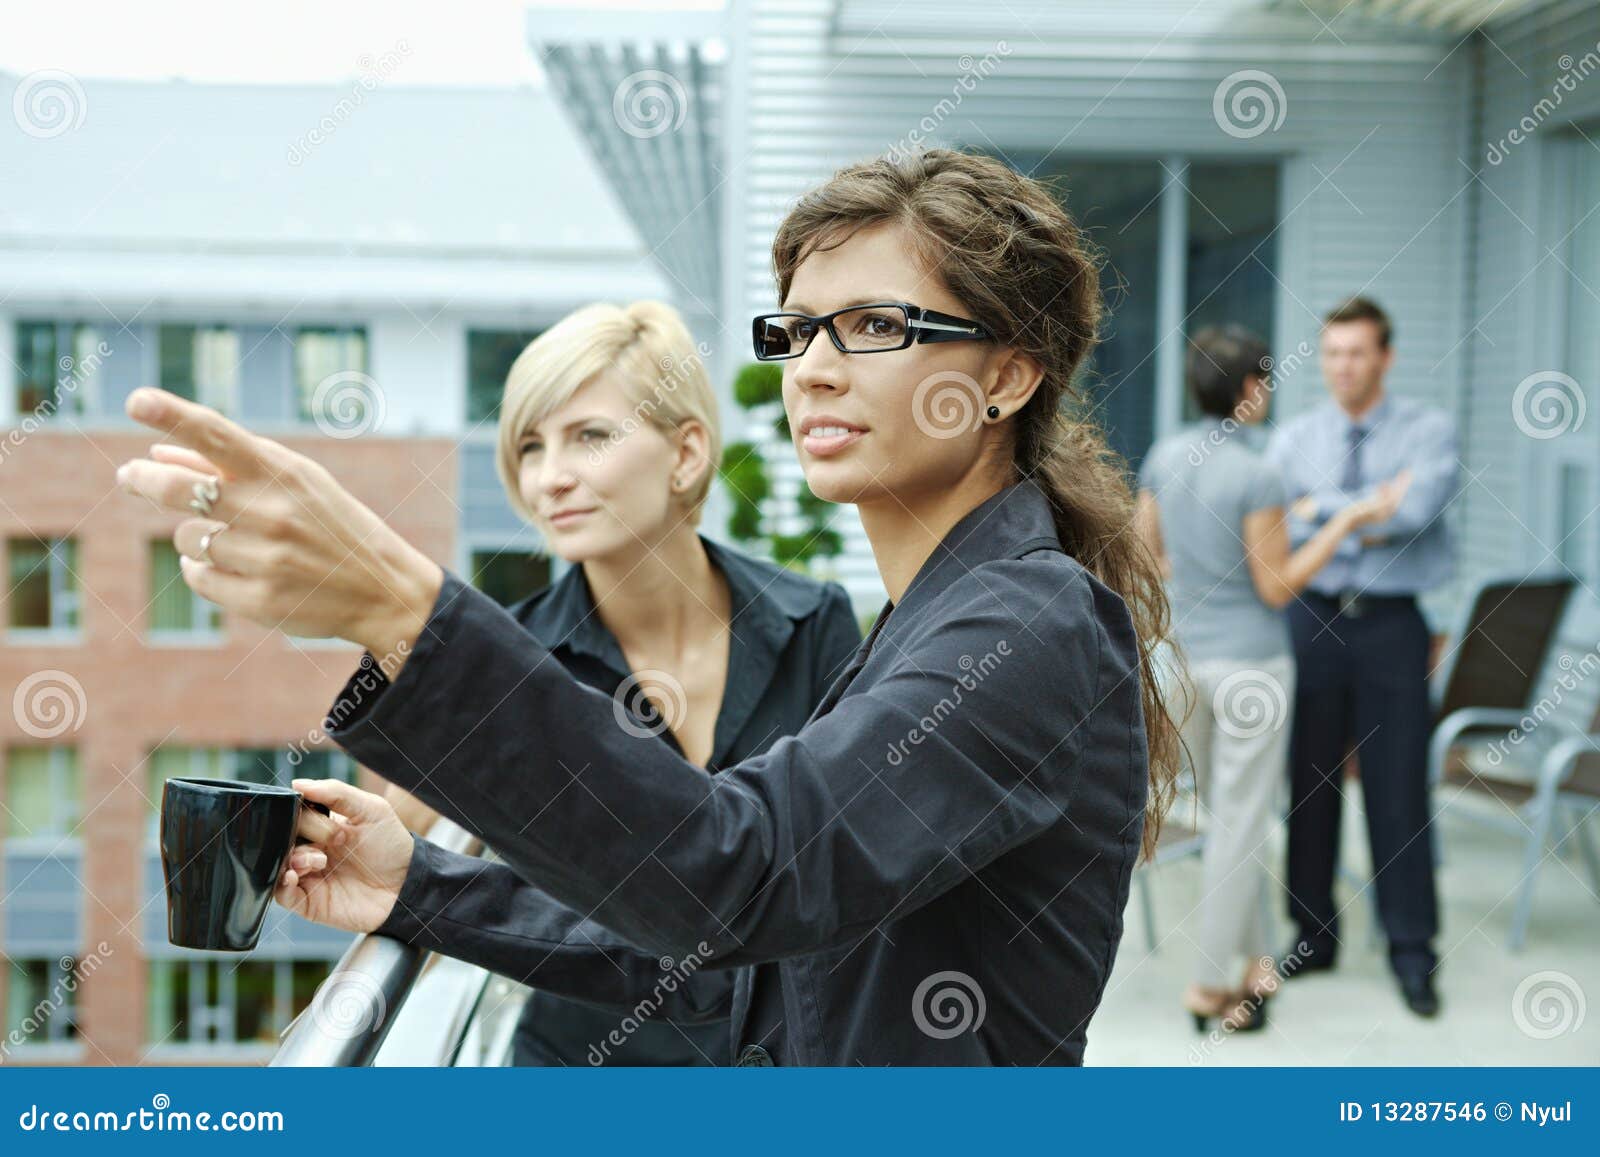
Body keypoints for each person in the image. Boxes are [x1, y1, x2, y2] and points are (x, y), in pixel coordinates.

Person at [114, 148, 1183, 1065]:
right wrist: (417, 886)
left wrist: (400, 603)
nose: (808, 369)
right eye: (797, 330)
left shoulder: (1025, 626)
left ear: (1004, 376)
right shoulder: (929, 619)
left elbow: (737, 875)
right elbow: (744, 958)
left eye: (868, 325)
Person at [381, 300, 861, 1065]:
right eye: (530, 447)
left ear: (687, 454)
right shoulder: (512, 659)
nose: (548, 479)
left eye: (589, 436)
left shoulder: (813, 622)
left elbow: (842, 870)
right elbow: (412, 840)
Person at [1136, 324, 1407, 1034]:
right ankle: (1206, 985)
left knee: (1227, 818)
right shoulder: (1258, 473)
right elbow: (1277, 585)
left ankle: (1257, 966)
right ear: (1248, 390)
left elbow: (1144, 556)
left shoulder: (1167, 456)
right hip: (1252, 667)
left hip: (1185, 666)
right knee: (1240, 827)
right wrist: (1346, 518)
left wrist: (1198, 577)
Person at [1264, 296, 1460, 1018]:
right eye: (1333, 353)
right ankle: (1312, 935)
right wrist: (1361, 509)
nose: (1343, 366)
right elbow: (1285, 520)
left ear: (1386, 357)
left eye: (1358, 352)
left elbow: (1414, 511)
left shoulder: (1428, 430)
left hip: (1392, 626)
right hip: (1311, 620)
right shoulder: (1295, 436)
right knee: (1309, 783)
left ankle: (1412, 948)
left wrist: (1326, 510)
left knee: (1398, 785)